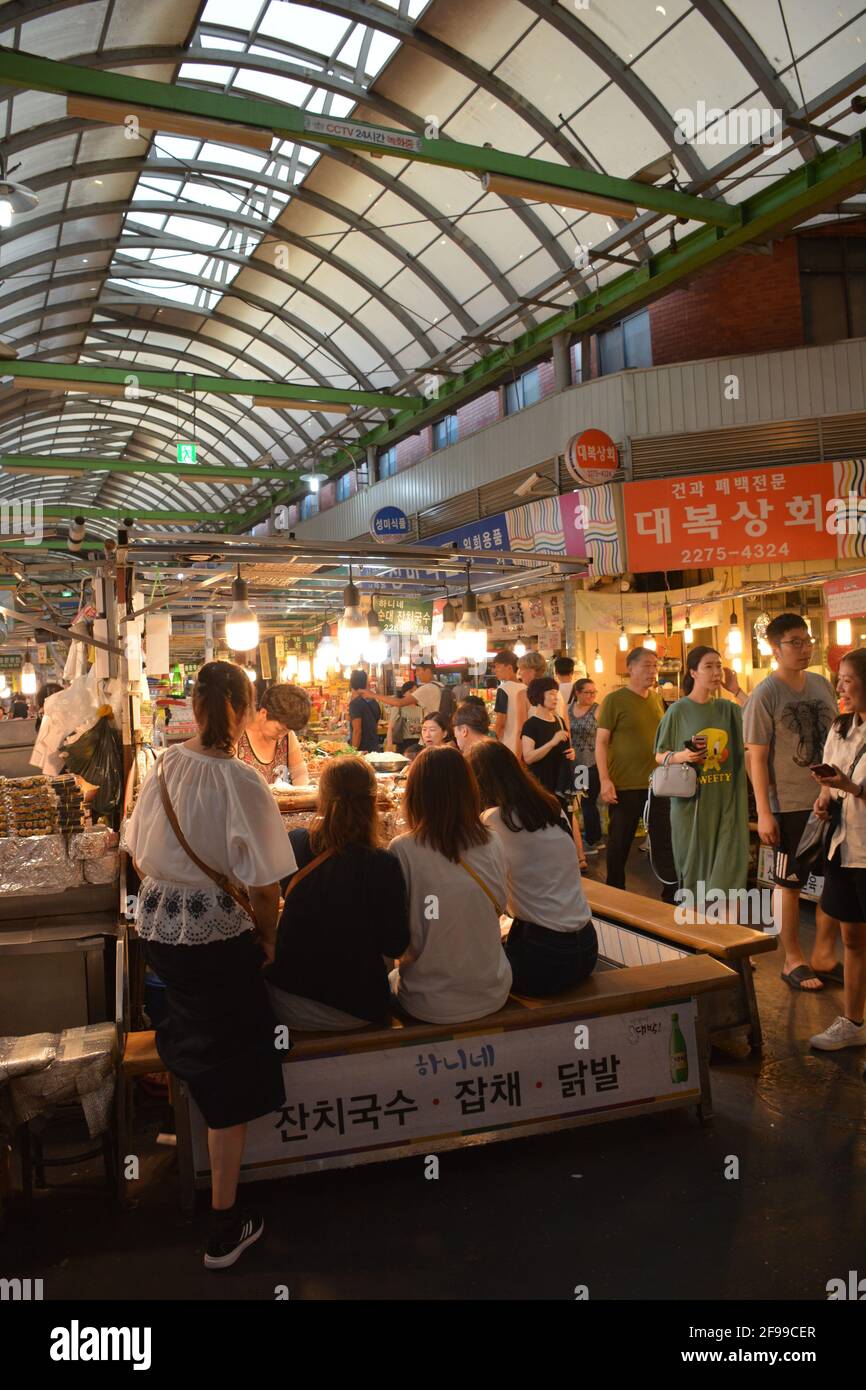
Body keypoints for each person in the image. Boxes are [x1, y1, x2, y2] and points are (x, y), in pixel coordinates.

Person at [125, 661, 296, 1270]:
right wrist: (270, 939)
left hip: (163, 929)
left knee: (193, 1030)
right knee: (233, 1062)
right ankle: (224, 1223)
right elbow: (268, 883)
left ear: (193, 708)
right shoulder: (242, 782)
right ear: (246, 710)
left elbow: (139, 851)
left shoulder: (166, 766)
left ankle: (188, 1139)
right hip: (216, 937)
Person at [266, 757, 410, 1031]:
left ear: (321, 797)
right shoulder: (383, 864)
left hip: (287, 1002)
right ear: (373, 801)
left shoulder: (296, 843)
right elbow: (395, 944)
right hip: (358, 1007)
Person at [743, 613, 840, 991]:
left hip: (829, 797)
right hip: (788, 803)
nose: (804, 648)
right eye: (795, 642)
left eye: (807, 640)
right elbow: (755, 757)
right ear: (774, 648)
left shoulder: (821, 684)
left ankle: (825, 955)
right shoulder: (765, 694)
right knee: (789, 881)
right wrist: (765, 813)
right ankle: (792, 958)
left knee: (837, 878)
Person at [388, 746, 511, 1023]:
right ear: (469, 790)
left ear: (415, 794)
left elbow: (395, 937)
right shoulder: (491, 841)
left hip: (428, 1002)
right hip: (492, 990)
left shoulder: (403, 848)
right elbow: (500, 906)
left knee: (391, 978)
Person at [469, 740, 598, 996]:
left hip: (543, 955)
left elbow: (479, 890)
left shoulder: (492, 819)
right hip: (587, 947)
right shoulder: (551, 806)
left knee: (470, 977)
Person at [654, 646, 749, 916]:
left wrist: (737, 690)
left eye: (719, 666)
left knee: (730, 872)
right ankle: (703, 944)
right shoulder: (678, 711)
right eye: (708, 666)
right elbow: (659, 755)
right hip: (692, 807)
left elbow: (759, 720)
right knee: (696, 875)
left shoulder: (729, 708)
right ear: (693, 672)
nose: (716, 672)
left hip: (729, 800)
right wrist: (684, 755)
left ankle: (731, 945)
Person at [809, 649, 866, 1051]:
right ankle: (854, 1021)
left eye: (847, 679)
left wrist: (853, 788)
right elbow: (830, 778)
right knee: (852, 939)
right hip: (844, 848)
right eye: (839, 678)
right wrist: (826, 796)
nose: (840, 687)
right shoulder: (842, 727)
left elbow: (854, 785)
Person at [596, 646, 678, 904]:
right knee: (620, 840)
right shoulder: (614, 700)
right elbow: (601, 742)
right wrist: (604, 780)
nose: (652, 670)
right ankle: (615, 892)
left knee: (664, 838)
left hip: (658, 783)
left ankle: (671, 892)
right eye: (646, 665)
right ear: (630, 668)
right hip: (624, 783)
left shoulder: (655, 699)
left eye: (655, 665)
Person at [236, 682, 311, 785]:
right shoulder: (238, 735)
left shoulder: (287, 736)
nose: (281, 736)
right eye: (279, 729)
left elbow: (299, 773)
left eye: (287, 731)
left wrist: (302, 792)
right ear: (263, 713)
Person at [521, 675, 575, 796]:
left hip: (560, 784)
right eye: (551, 694)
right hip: (540, 785)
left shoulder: (559, 721)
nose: (555, 698)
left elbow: (566, 749)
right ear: (539, 695)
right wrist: (552, 742)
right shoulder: (531, 725)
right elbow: (528, 757)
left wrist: (571, 753)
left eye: (556, 693)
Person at [568, 678, 602, 850]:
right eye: (588, 692)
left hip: (592, 762)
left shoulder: (598, 709)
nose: (591, 695)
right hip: (574, 763)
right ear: (577, 693)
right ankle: (589, 836)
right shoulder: (568, 710)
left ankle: (592, 840)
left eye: (593, 692)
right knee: (578, 802)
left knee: (588, 801)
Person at [492, 649, 528, 757]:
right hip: (525, 744)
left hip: (509, 744)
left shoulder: (503, 689)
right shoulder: (526, 688)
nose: (495, 670)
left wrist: (495, 740)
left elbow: (501, 723)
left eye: (498, 666)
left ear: (509, 668)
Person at [347, 669, 381, 753]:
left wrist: (353, 753)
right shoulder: (374, 702)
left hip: (362, 751)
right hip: (374, 749)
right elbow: (375, 726)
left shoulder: (355, 704)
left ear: (352, 684)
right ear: (366, 684)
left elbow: (357, 731)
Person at [385, 680, 422, 754]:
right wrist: (389, 745)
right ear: (404, 693)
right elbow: (390, 728)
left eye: (416, 692)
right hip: (403, 743)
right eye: (411, 692)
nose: (414, 695)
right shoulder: (398, 708)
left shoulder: (421, 708)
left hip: (419, 743)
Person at [554, 655, 576, 722]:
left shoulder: (553, 690)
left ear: (556, 672)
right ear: (572, 672)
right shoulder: (578, 689)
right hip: (575, 723)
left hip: (559, 723)